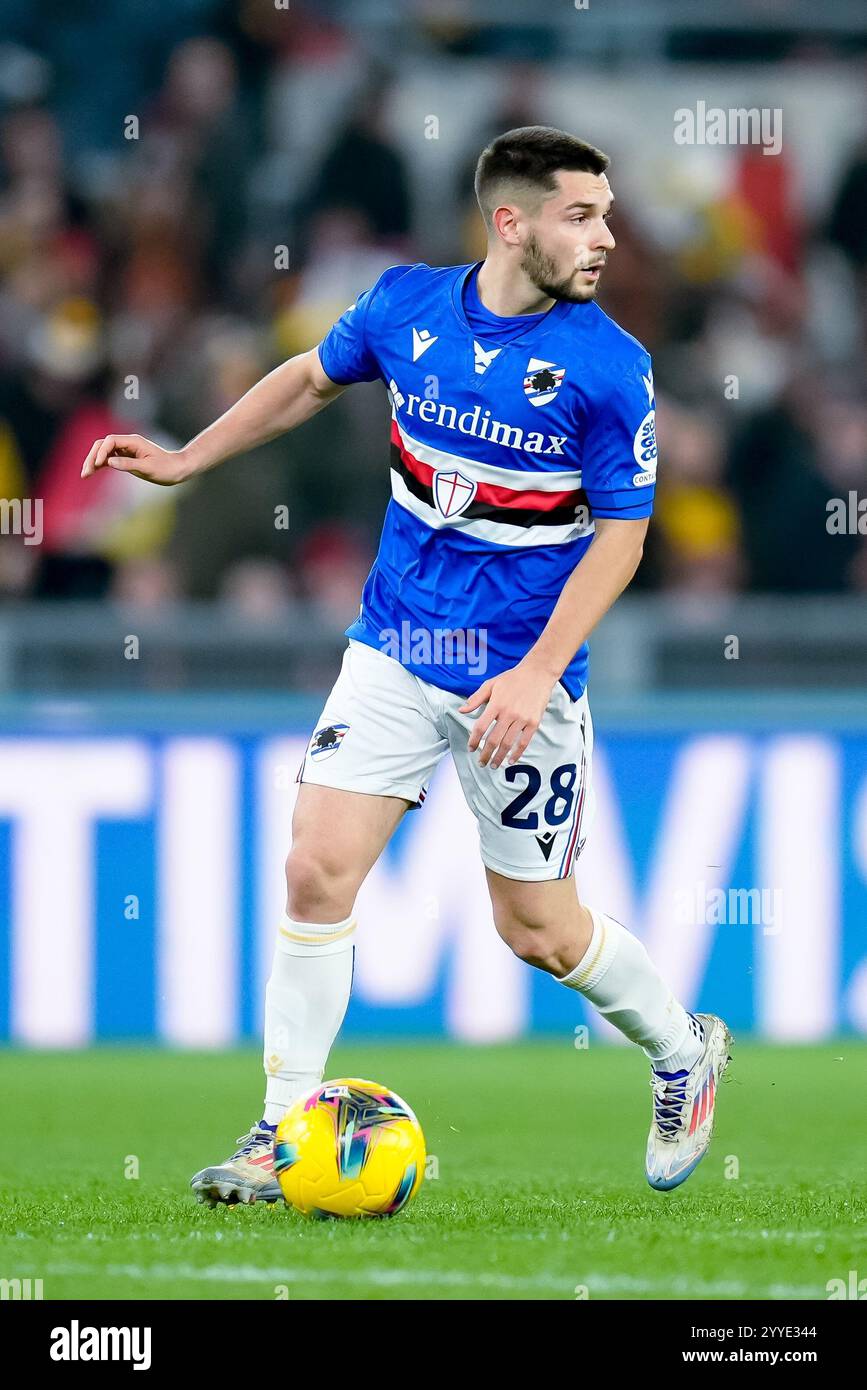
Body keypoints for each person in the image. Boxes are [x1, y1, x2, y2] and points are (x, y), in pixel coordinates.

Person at [81, 126, 732, 1200]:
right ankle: (279, 1125)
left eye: (607, 213)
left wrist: (536, 674)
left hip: (517, 674)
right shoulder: (404, 307)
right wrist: (190, 457)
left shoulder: (610, 367)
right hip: (394, 642)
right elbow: (306, 378)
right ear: (510, 221)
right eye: (584, 214)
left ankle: (679, 1051)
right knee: (313, 867)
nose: (607, 236)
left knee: (537, 927)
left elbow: (622, 536)